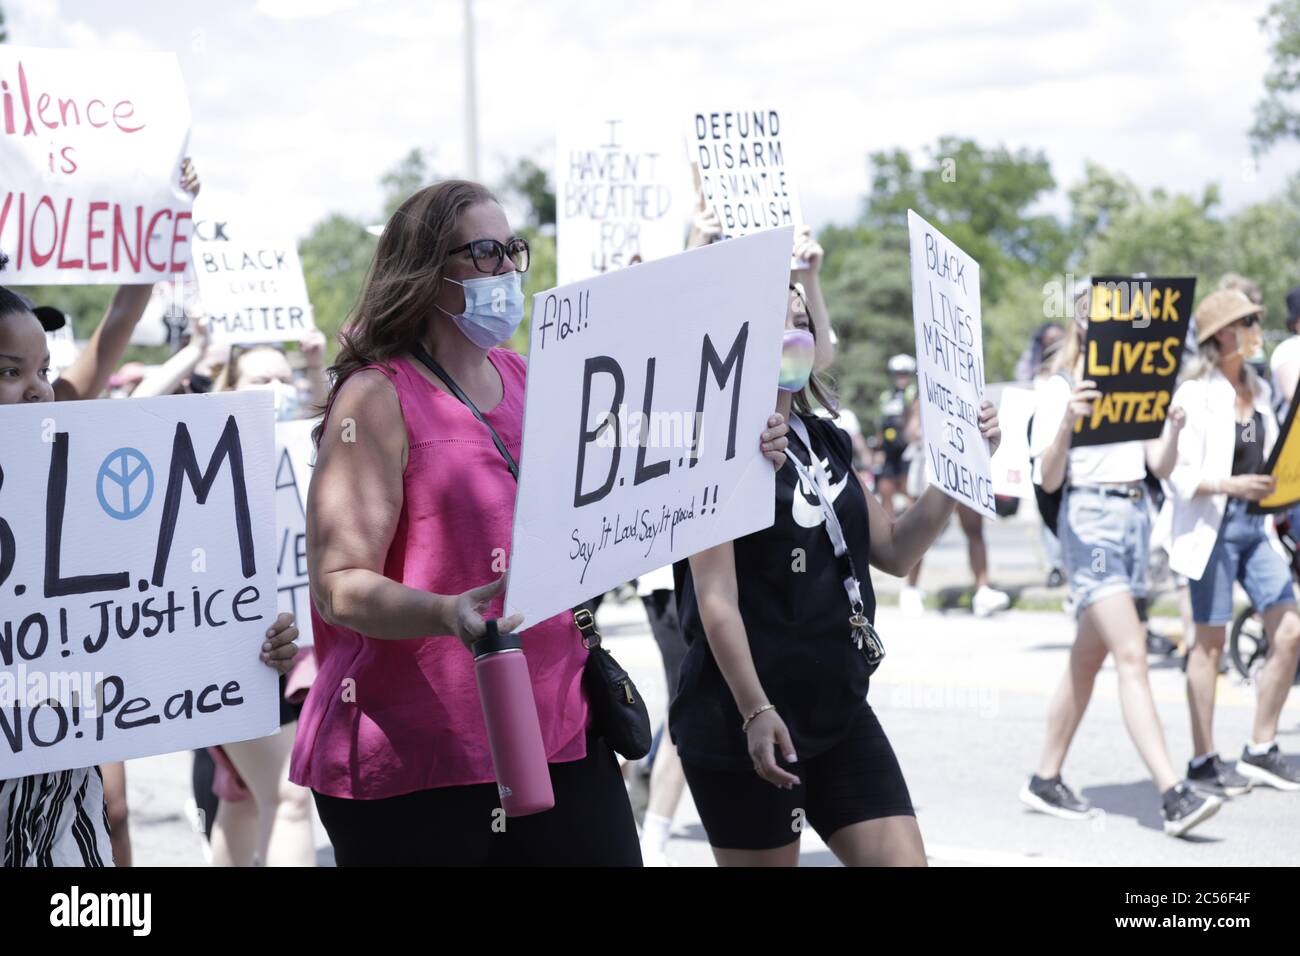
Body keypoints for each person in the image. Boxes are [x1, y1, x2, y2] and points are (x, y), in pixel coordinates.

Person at [289, 180, 790, 866]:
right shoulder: (376, 397)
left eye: (512, 252)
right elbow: (338, 584)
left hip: (555, 729)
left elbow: (652, 457)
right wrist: (444, 614)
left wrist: (740, 443)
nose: (507, 272)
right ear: (428, 270)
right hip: (418, 756)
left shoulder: (531, 378)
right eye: (486, 253)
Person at [669, 282, 1001, 866]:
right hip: (748, 721)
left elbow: (897, 550)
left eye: (805, 323)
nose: (798, 335)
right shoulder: (710, 449)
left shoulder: (827, 438)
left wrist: (959, 466)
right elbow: (715, 596)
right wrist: (755, 709)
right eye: (783, 321)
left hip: (837, 711)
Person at [0, 274, 301, 866]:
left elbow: (152, 614)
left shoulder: (79, 484)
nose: (39, 391)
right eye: (10, 372)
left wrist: (240, 645)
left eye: (43, 371)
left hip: (59, 809)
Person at [1021, 288, 1221, 837]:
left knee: (1087, 659)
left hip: (1135, 519)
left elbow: (1156, 462)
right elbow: (1050, 478)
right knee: (1132, 653)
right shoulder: (1060, 385)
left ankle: (1045, 777)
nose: (1113, 318)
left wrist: (1174, 424)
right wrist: (1068, 421)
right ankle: (1171, 794)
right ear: (1080, 319)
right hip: (1090, 520)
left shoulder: (1141, 381)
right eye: (1095, 308)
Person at [1168, 288, 1300, 793]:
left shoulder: (1262, 391)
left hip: (1255, 525)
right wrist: (1231, 485)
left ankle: (1261, 748)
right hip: (1212, 529)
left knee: (1288, 630)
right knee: (1209, 646)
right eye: (1249, 322)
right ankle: (1203, 758)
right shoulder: (1194, 394)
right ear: (1222, 333)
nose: (1257, 330)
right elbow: (1178, 477)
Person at [204, 341, 322, 867]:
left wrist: (318, 366)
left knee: (248, 797)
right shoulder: (203, 461)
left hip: (302, 650)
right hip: (239, 649)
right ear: (226, 391)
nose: (277, 390)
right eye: (260, 380)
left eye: (284, 377)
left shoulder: (311, 449)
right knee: (289, 796)